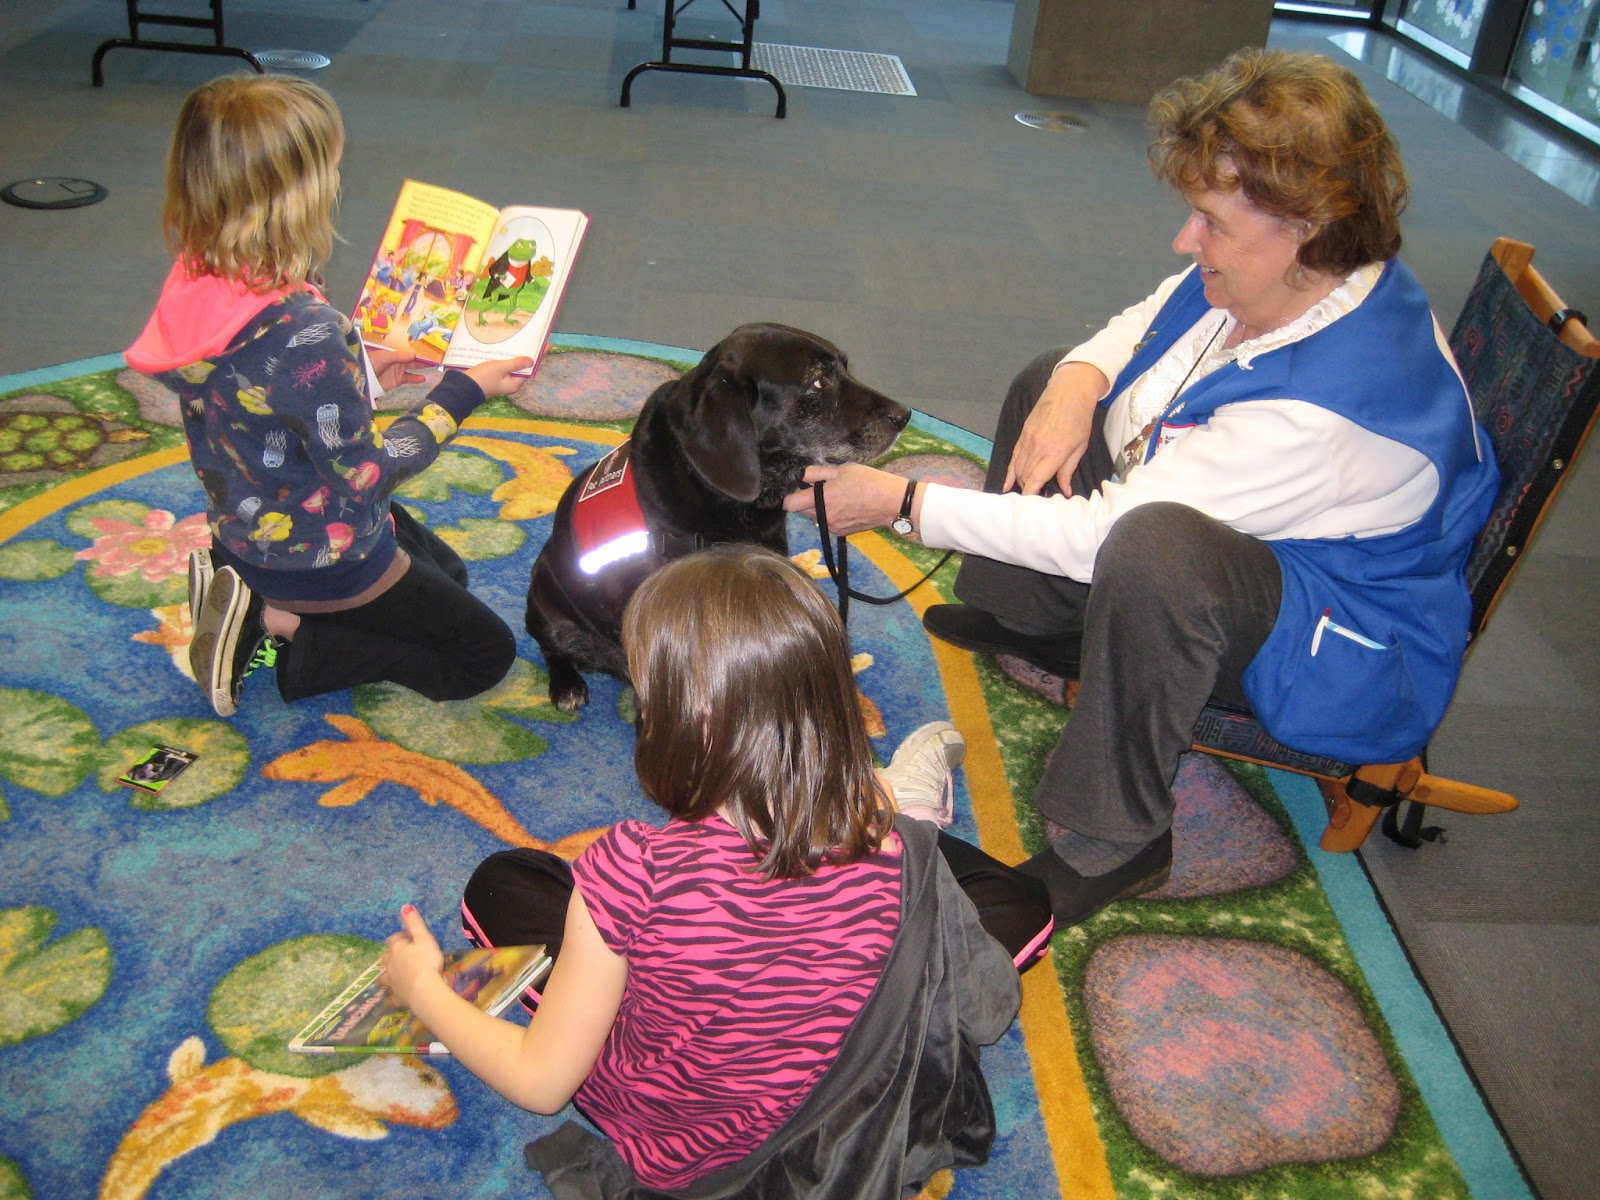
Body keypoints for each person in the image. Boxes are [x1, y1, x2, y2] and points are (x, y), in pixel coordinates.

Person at [783, 49, 1500, 929]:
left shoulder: (1324, 419)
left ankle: (1116, 839)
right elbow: (1155, 314)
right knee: (1052, 380)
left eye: (1208, 222)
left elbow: (1105, 534)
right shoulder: (1302, 278)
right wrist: (1079, 379)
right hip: (1265, 547)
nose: (1184, 239)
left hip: (1341, 647)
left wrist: (899, 502)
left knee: (1158, 549)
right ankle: (1039, 620)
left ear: (1304, 224)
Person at [381, 546, 1050, 1199]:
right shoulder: (888, 845)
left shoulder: (631, 869)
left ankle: (892, 794)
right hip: (840, 1102)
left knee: (505, 883)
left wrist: (424, 992)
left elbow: (541, 1083)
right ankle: (897, 793)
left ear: (689, 717)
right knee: (1014, 899)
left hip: (682, 1146)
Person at [126, 75, 527, 716]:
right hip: (316, 552)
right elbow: (367, 473)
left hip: (247, 521)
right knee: (482, 656)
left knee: (447, 573)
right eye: (330, 170)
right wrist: (459, 394)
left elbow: (256, 391)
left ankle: (255, 591)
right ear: (300, 193)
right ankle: (281, 625)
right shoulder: (307, 330)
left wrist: (359, 372)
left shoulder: (201, 274)